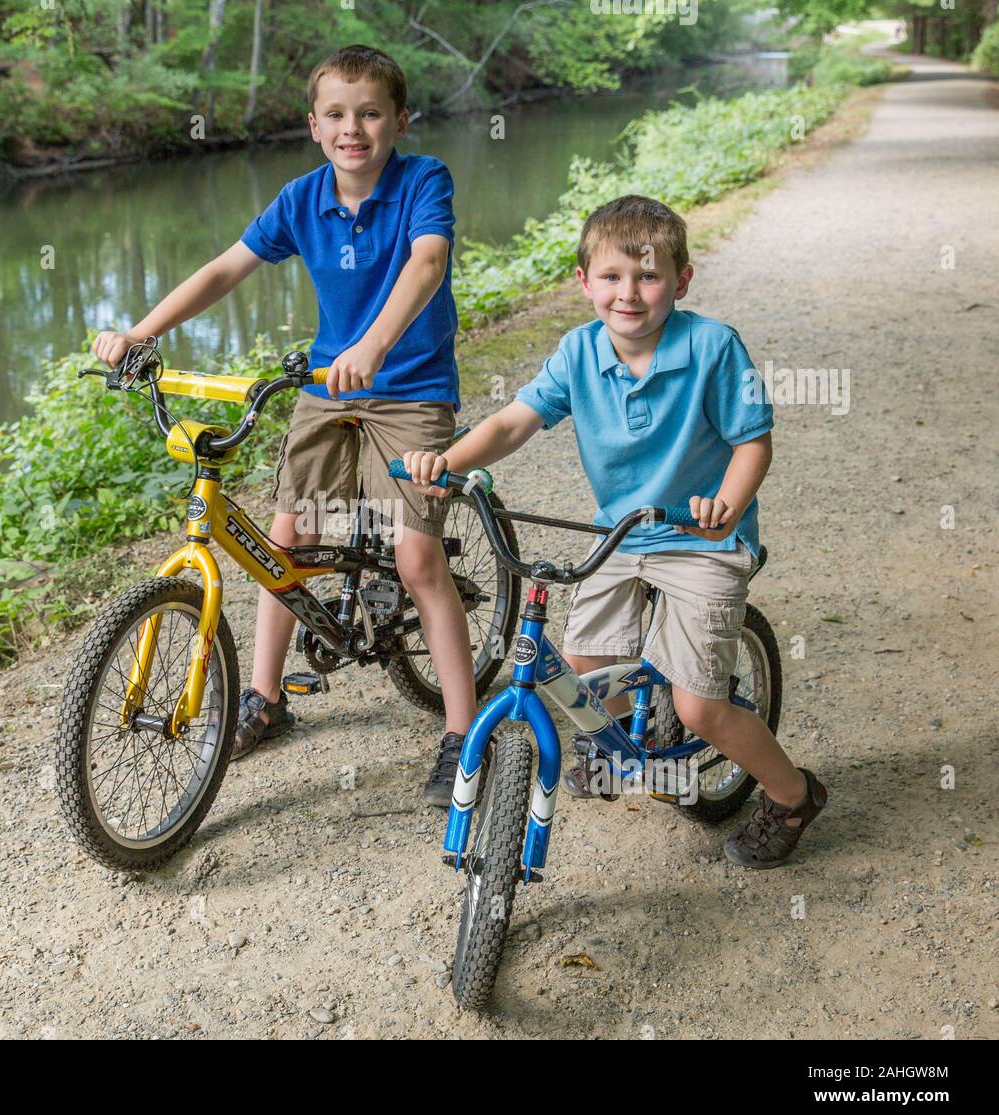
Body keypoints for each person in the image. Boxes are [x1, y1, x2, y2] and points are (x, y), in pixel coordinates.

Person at [93, 44, 476, 806]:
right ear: (313, 124)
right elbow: (223, 270)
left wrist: (372, 345)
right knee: (285, 536)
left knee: (415, 559)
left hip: (409, 388)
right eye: (337, 114)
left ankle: (463, 735)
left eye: (370, 113)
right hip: (328, 385)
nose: (353, 128)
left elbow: (426, 264)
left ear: (399, 120)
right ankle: (265, 697)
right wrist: (140, 332)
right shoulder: (302, 199)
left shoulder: (423, 181)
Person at [401, 194, 829, 867]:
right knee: (579, 673)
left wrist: (726, 500)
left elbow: (754, 445)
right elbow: (514, 422)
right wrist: (449, 460)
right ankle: (620, 750)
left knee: (699, 709)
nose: (628, 294)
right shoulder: (578, 353)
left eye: (649, 276)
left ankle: (793, 794)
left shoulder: (712, 347)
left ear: (681, 281)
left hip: (700, 539)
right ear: (584, 283)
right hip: (620, 536)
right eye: (610, 277)